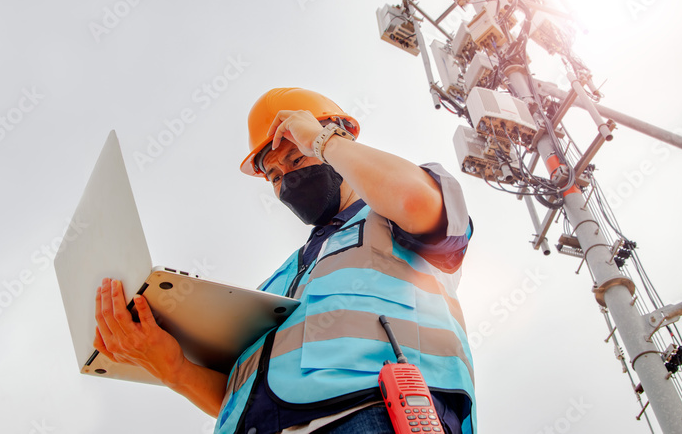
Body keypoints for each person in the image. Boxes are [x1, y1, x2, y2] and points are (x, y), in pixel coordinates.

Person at [94, 87, 476, 434]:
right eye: (274, 174)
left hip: (375, 414)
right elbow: (246, 398)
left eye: (295, 157)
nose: (287, 180)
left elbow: (416, 201)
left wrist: (321, 140)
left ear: (337, 136)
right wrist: (173, 368)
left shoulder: (389, 214)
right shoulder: (279, 282)